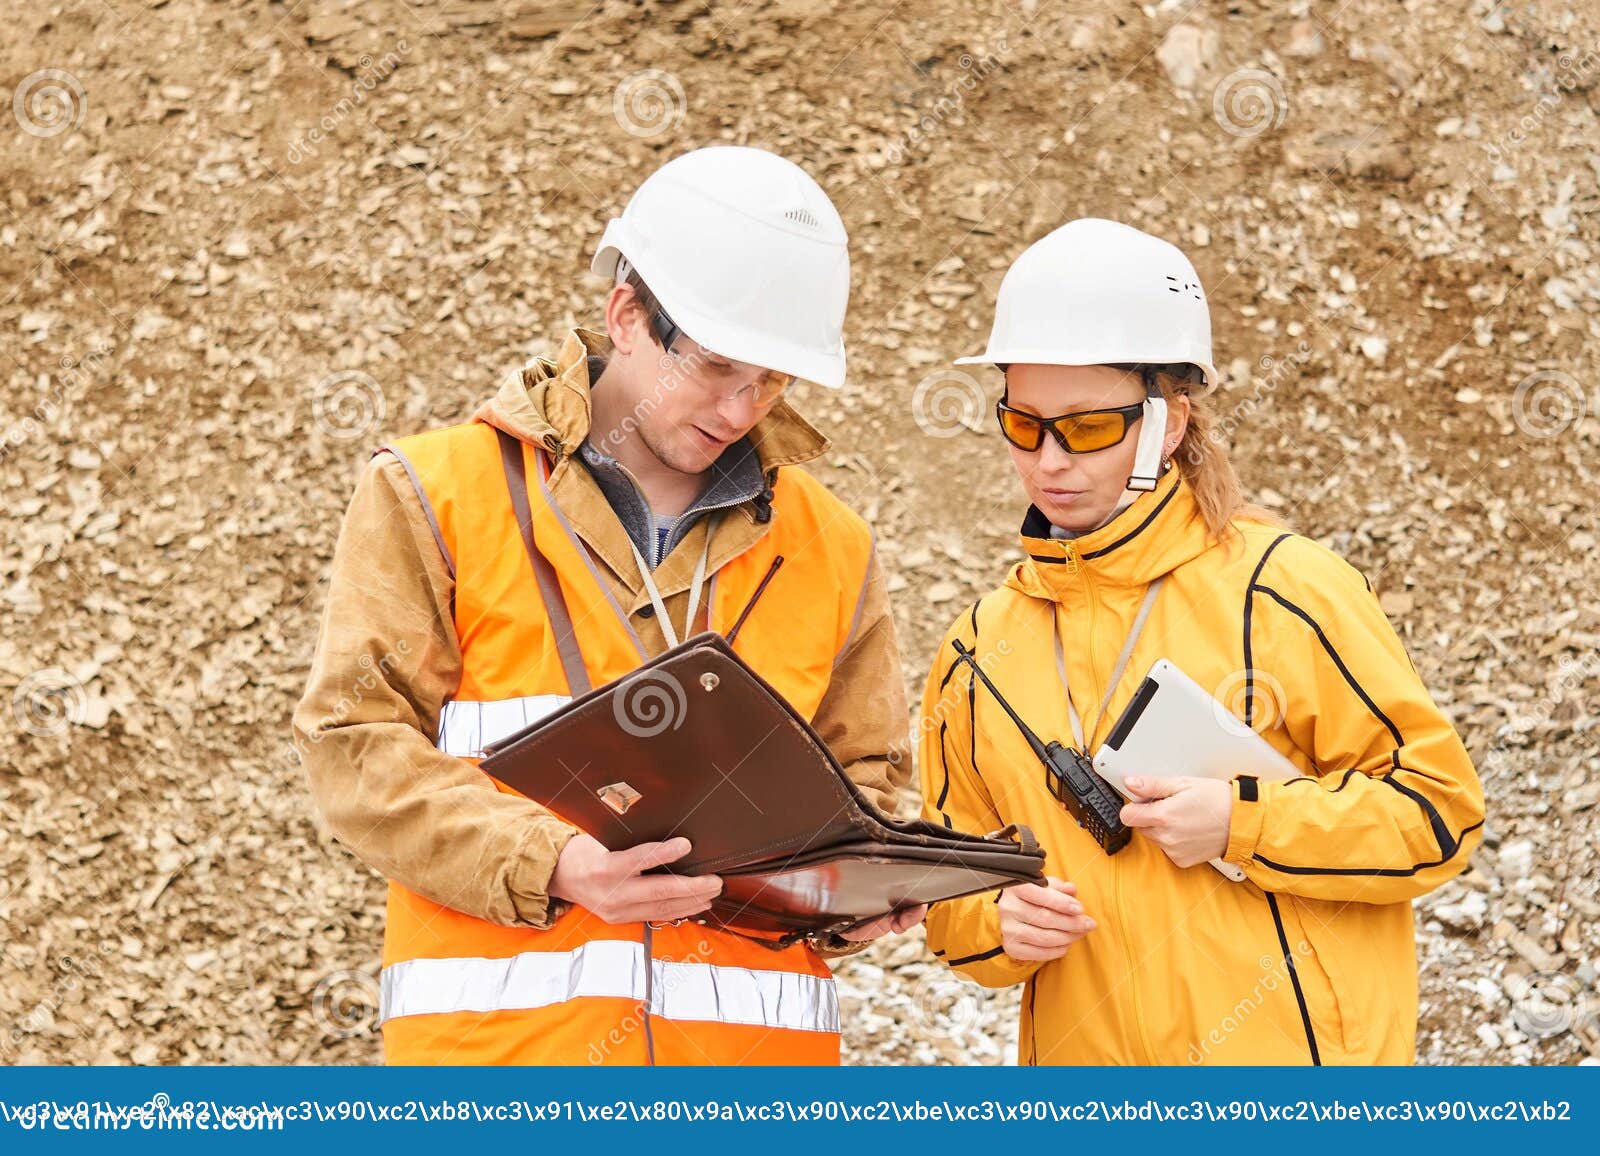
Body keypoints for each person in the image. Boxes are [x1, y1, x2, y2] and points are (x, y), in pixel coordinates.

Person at [294, 146, 923, 1066]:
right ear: (627, 314)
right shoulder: (438, 493)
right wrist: (554, 864)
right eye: (717, 368)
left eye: (774, 382)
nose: (743, 409)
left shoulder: (829, 544)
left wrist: (855, 893)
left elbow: (866, 782)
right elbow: (352, 746)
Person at [918, 218, 1484, 1065]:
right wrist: (994, 925)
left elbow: (1439, 814)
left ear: (1170, 422)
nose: (1049, 460)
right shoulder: (977, 653)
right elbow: (945, 900)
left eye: (1088, 427)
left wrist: (1243, 823)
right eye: (1023, 422)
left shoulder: (1286, 591)